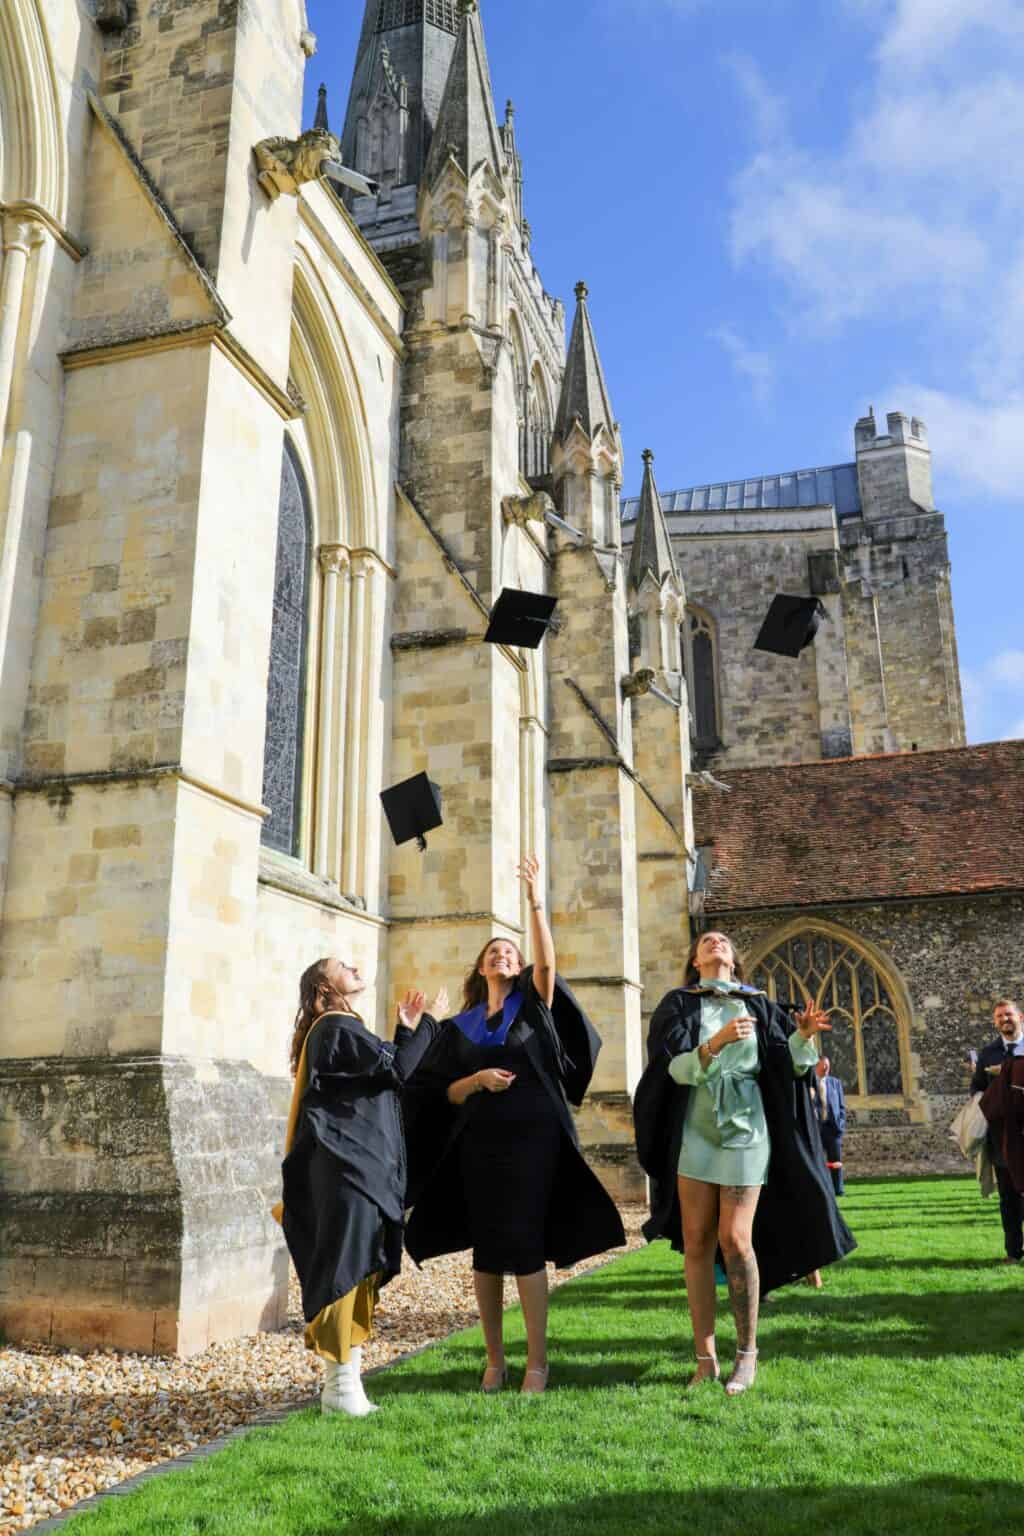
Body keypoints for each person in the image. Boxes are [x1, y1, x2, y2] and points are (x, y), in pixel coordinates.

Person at [404, 856, 625, 1396]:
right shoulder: (460, 1029)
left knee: (525, 1244)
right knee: (487, 1252)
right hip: (480, 1146)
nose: (502, 953)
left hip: (535, 1141)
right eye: (493, 951)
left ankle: (538, 1363)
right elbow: (442, 1092)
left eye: (510, 951)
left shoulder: (534, 1009)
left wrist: (534, 901)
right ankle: (495, 1360)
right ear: (481, 969)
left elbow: (548, 966)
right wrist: (476, 1079)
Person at [633, 930, 856, 1396]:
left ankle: (747, 1354)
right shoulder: (678, 1003)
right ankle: (705, 1359)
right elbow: (670, 1067)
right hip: (696, 1129)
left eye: (722, 941)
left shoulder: (757, 1004)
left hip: (746, 1129)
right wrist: (713, 1044)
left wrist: (802, 1038)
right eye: (706, 941)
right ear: (695, 960)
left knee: (735, 1239)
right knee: (696, 1241)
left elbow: (785, 1066)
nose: (715, 943)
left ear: (733, 959)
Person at [278, 958, 447, 1416]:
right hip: (346, 1168)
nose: (355, 966)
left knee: (356, 1270)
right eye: (342, 966)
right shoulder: (334, 1026)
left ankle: (343, 1387)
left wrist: (406, 1029)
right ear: (323, 988)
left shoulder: (341, 1030)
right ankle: (341, 1387)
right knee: (345, 1269)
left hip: (355, 1167)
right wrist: (429, 1024)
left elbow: (387, 1073)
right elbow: (397, 1072)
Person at [972, 999, 1024, 1264]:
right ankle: (1013, 1253)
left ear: (1020, 1017)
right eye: (1000, 1016)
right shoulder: (988, 1054)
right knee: (1009, 1199)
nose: (1005, 1019)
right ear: (995, 1022)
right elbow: (976, 1092)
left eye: (1009, 1014)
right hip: (1003, 1138)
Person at [813, 1056, 847, 1196]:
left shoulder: (835, 1083)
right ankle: (819, 1189)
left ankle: (838, 1190)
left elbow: (841, 1107)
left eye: (828, 1066)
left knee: (836, 1161)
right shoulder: (809, 1083)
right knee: (816, 1160)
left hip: (833, 1129)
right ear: (816, 1066)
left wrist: (841, 1125)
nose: (826, 1068)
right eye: (823, 1066)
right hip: (816, 1128)